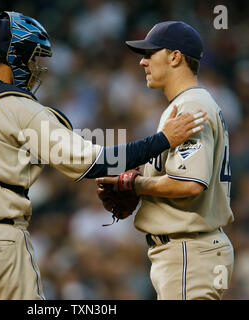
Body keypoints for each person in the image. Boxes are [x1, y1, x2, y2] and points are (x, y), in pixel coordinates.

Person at [0, 9, 206, 300]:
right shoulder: (20, 106)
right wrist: (163, 140)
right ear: (15, 55)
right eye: (33, 57)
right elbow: (95, 163)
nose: (36, 67)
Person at [96, 21, 234, 300]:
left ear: (175, 57)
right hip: (191, 252)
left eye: (150, 53)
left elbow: (190, 184)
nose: (143, 62)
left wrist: (137, 185)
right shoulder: (187, 103)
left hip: (189, 251)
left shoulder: (191, 106)